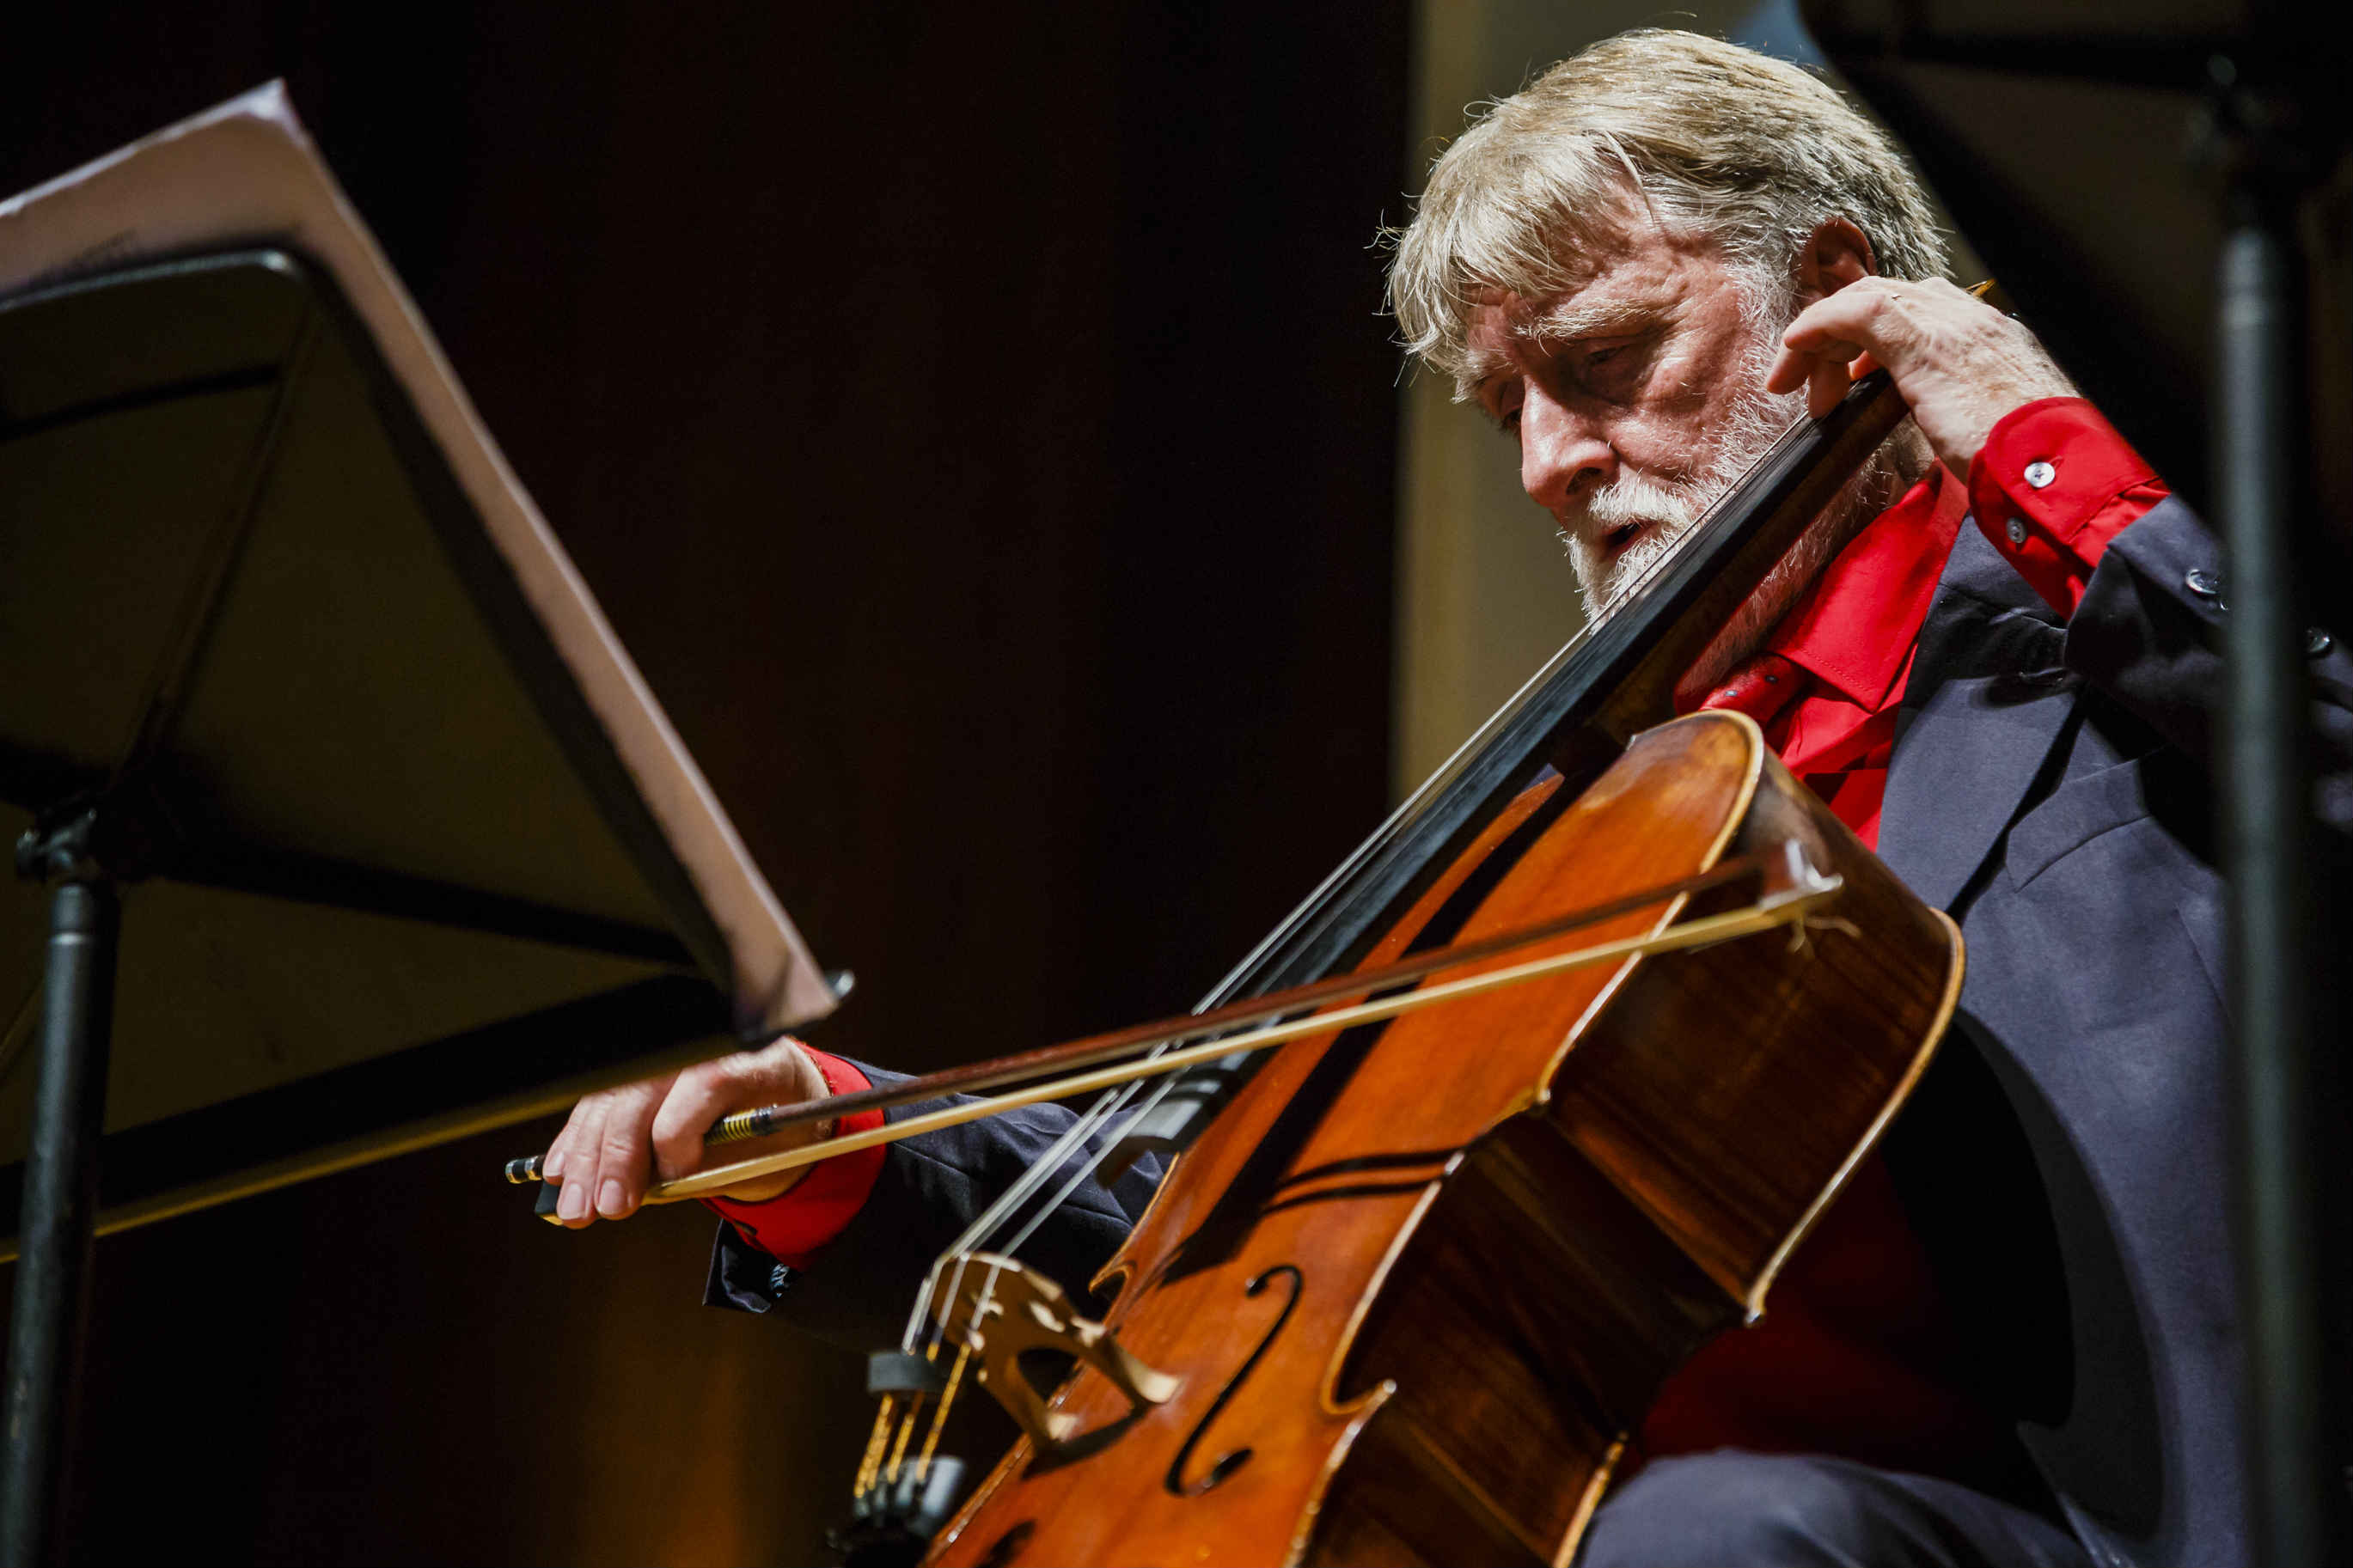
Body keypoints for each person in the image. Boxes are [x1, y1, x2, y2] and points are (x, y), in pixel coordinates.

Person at [535, 30, 2350, 1567]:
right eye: (1513, 411)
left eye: (1607, 363)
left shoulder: (2109, 614)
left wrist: (2043, 441)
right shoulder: (1602, 814)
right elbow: (1252, 1222)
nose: (1556, 462)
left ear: (1834, 300)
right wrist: (836, 1141)